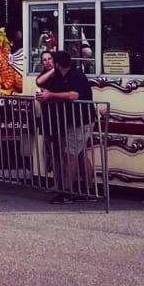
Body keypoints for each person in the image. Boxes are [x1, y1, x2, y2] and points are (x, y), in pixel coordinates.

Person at [35, 50, 94, 204]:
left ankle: (67, 192)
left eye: (52, 60)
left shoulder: (75, 75)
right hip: (71, 120)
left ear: (57, 63)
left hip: (80, 121)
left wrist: (50, 96)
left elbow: (73, 95)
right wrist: (48, 96)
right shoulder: (62, 76)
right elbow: (41, 83)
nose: (49, 63)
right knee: (79, 155)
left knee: (70, 155)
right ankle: (87, 191)